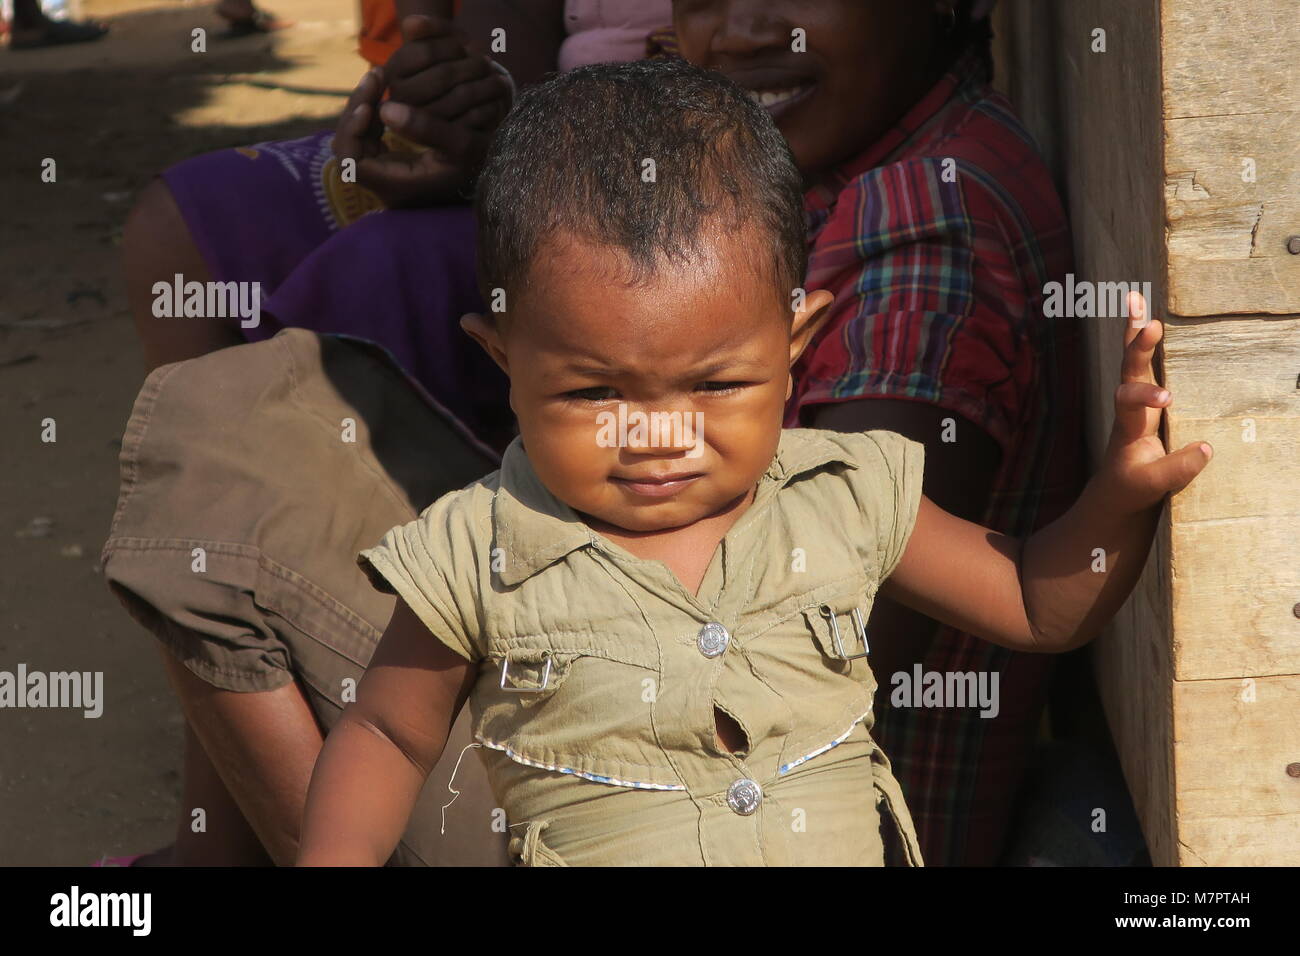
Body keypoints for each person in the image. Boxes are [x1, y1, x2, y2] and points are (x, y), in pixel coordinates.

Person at [105, 0, 1080, 867]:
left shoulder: (920, 238)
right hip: (671, 742)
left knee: (215, 443)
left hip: (726, 802)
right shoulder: (852, 166)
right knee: (347, 320)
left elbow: (827, 646)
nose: (742, 28)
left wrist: (516, 604)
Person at [294, 57, 1210, 867]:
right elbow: (385, 731)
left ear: (795, 344)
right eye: (593, 395)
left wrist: (1118, 497)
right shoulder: (478, 546)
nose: (657, 434)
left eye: (716, 385)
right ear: (505, 362)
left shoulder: (843, 495)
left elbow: (1037, 601)